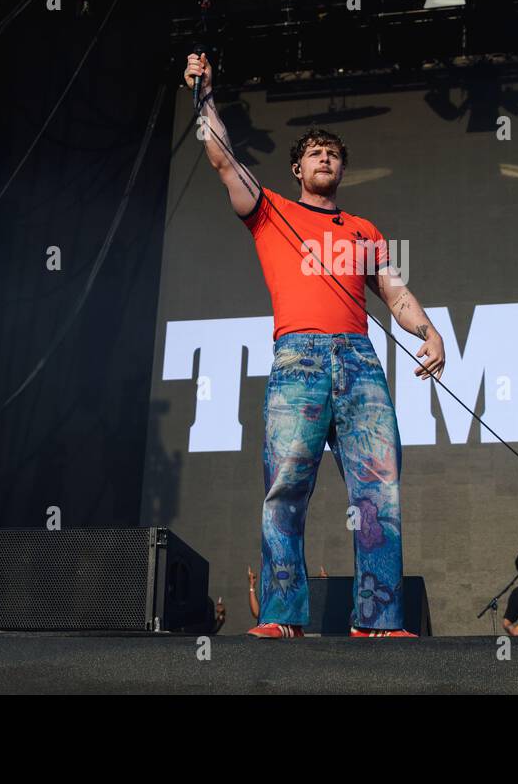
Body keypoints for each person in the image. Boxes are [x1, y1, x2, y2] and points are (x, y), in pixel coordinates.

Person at [185, 51, 444, 638]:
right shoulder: (269, 210)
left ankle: (377, 620)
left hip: (359, 361)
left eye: (333, 154)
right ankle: (283, 616)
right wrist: (203, 92)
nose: (325, 158)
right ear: (298, 169)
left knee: (379, 488)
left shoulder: (365, 230)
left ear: (341, 172)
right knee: (285, 489)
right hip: (298, 359)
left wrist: (428, 331)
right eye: (314, 153)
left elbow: (395, 292)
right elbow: (222, 156)